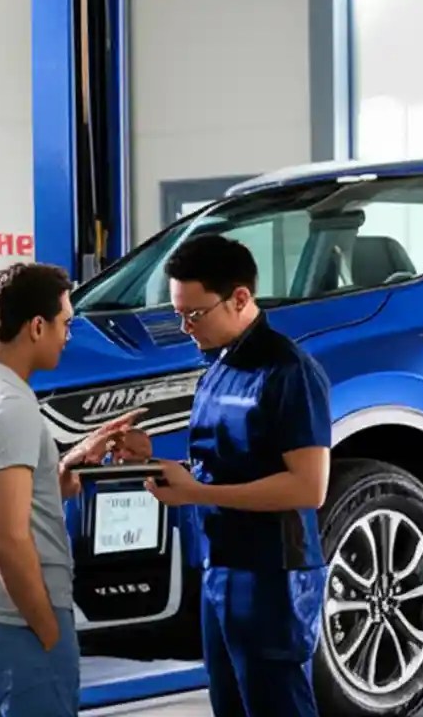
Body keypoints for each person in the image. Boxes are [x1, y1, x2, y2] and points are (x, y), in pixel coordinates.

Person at [143, 234, 333, 717]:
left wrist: (198, 491)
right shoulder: (218, 367)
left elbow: (309, 487)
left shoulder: (288, 371)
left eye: (195, 314)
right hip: (221, 565)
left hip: (272, 573)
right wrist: (154, 462)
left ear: (241, 298)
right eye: (178, 315)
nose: (186, 328)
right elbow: (224, 464)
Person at [0, 262, 144, 717]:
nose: (67, 335)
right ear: (37, 327)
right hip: (21, 626)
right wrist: (49, 630)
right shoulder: (11, 409)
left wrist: (67, 463)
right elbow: (10, 541)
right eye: (65, 323)